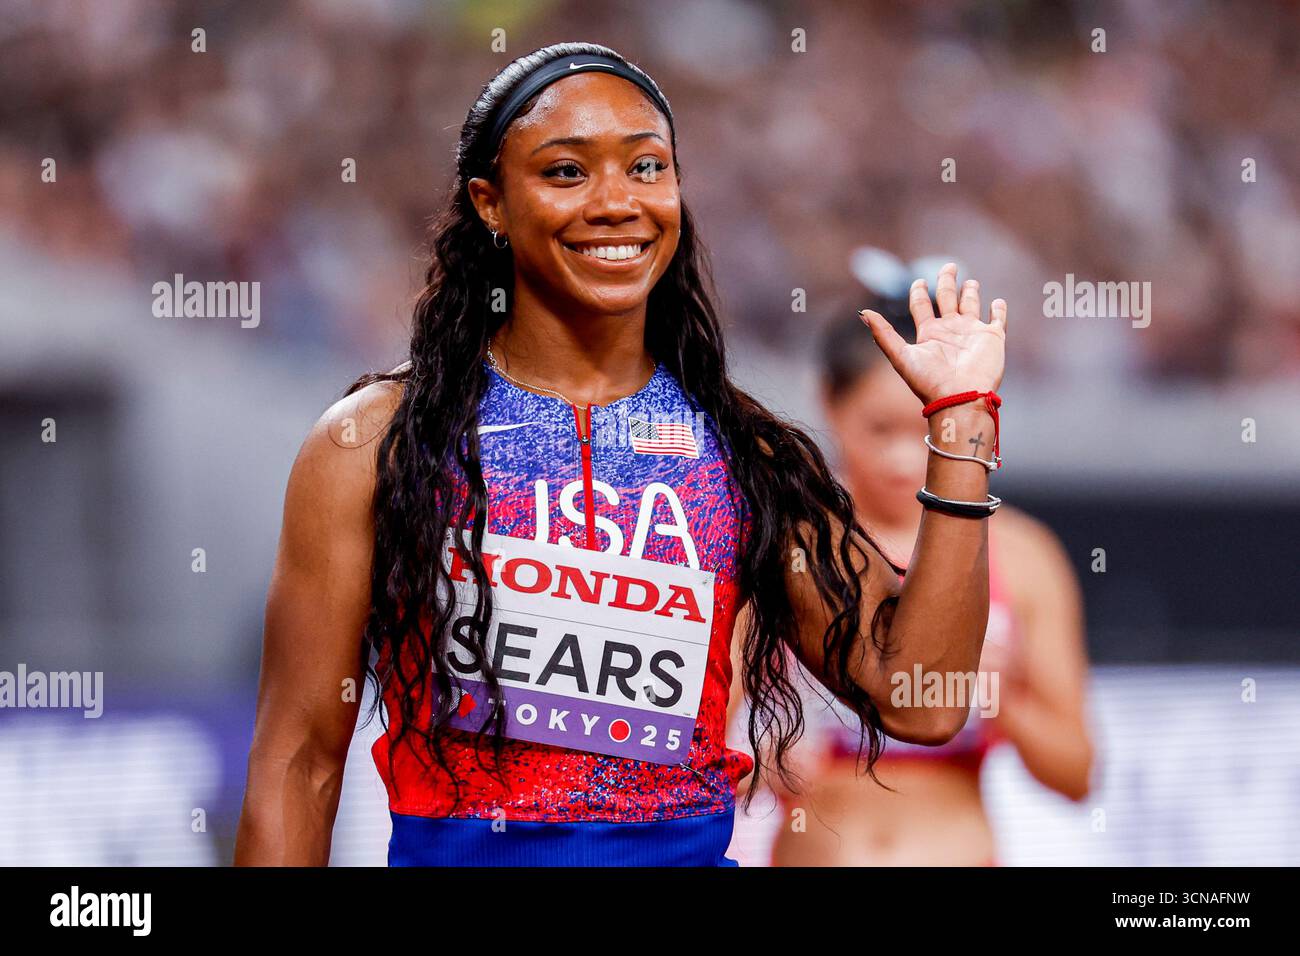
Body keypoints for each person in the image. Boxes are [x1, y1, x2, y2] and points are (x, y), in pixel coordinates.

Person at [234, 42, 1010, 867]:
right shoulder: (376, 445)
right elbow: (298, 764)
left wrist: (961, 423)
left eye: (647, 168)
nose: (617, 203)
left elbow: (918, 702)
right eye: (567, 172)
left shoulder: (740, 455)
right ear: (490, 203)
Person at [767, 298, 1094, 867]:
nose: (898, 459)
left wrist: (1003, 702)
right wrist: (764, 754)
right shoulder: (789, 544)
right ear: (828, 404)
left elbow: (1077, 773)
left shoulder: (1019, 555)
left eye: (920, 433)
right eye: (878, 429)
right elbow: (697, 744)